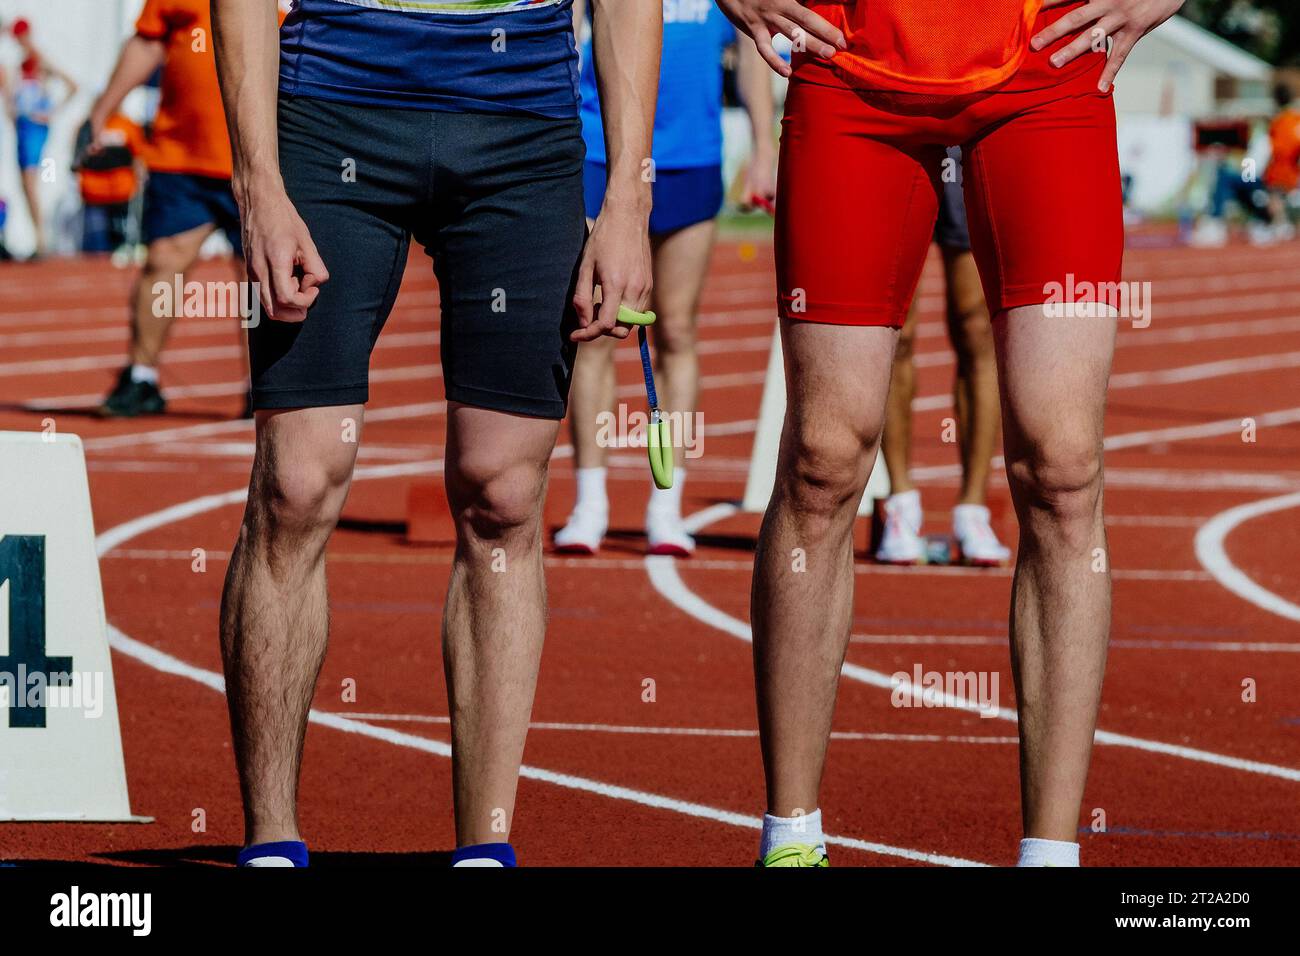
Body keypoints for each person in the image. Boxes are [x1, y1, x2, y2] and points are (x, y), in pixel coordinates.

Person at [718, 0, 1185, 867]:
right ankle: (791, 841)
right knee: (823, 457)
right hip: (849, 57)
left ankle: (1050, 855)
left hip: (1047, 65)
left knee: (1063, 464)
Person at [211, 0, 658, 868]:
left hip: (519, 119)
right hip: (332, 94)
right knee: (297, 483)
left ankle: (485, 849)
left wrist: (628, 201)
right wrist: (256, 181)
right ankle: (270, 841)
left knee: (504, 493)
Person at [554, 0, 776, 557]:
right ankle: (590, 502)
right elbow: (575, 30)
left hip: (692, 157)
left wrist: (763, 149)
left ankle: (666, 505)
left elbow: (749, 45)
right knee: (595, 328)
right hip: (600, 152)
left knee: (677, 331)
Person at [89, 0, 264, 418]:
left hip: (266, 157)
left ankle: (267, 387)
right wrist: (102, 111)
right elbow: (148, 42)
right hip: (181, 155)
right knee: (163, 261)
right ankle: (141, 378)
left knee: (262, 274)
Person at [876, 147, 1011, 567]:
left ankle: (973, 510)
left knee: (976, 329)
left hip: (965, 129)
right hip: (898, 127)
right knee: (895, 332)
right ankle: (900, 505)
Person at [7, 18, 78, 258]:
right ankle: (38, 238)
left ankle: (41, 240)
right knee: (25, 185)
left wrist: (50, 112)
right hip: (24, 128)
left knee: (31, 182)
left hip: (36, 130)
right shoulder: (16, 64)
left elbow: (72, 85)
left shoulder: (39, 60)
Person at [76, 111, 143, 255]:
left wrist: (139, 179)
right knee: (95, 246)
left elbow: (138, 155)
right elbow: (77, 159)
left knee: (121, 242)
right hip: (93, 191)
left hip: (121, 191)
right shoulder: (86, 127)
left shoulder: (127, 125)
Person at [1262, 82, 1299, 242]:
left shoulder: (1278, 122)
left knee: (1274, 197)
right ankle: (1283, 224)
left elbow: (1271, 149)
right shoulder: (1296, 118)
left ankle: (1279, 225)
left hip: (1281, 171)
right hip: (1293, 170)